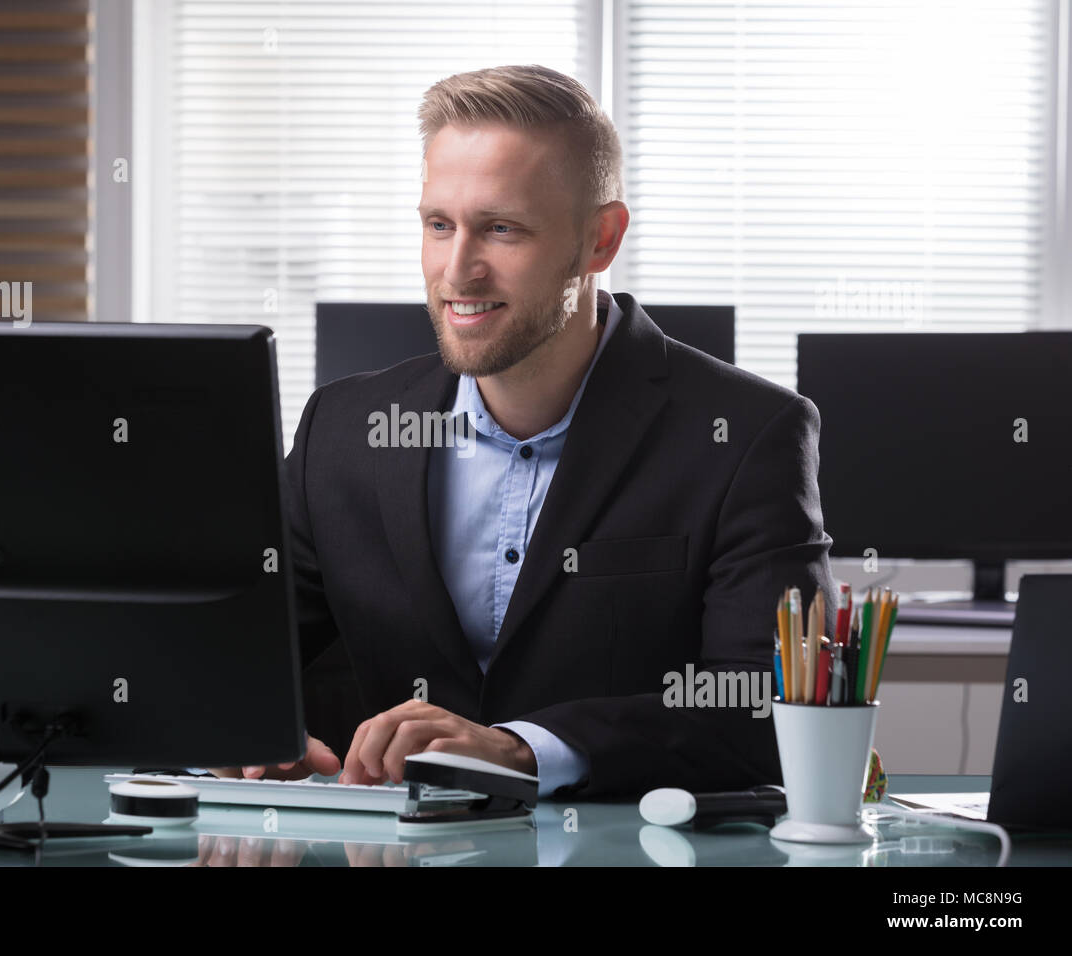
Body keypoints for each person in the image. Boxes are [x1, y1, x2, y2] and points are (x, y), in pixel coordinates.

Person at [214, 64, 837, 799]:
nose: (457, 271)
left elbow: (768, 704)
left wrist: (523, 750)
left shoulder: (747, 436)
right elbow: (234, 652)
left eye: (501, 229)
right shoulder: (343, 432)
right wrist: (248, 735)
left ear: (599, 240)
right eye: (438, 225)